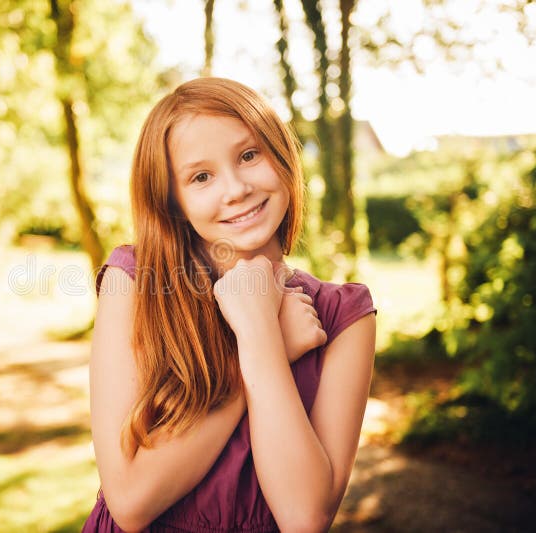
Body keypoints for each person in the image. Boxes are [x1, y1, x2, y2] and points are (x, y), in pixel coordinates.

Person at [81, 77, 377, 533]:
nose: (235, 188)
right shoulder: (135, 281)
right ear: (174, 202)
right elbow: (132, 501)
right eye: (201, 177)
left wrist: (259, 334)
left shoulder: (343, 316)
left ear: (281, 157)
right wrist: (266, 345)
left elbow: (304, 517)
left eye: (248, 155)